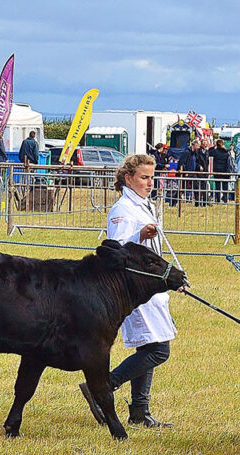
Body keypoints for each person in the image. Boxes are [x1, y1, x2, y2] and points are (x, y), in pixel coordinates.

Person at [78, 153, 177, 428]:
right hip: (134, 289)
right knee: (159, 350)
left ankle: (139, 411)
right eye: (144, 177)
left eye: (152, 177)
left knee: (149, 346)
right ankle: (103, 386)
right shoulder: (122, 210)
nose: (149, 183)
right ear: (128, 178)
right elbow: (115, 250)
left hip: (151, 287)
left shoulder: (145, 205)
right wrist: (139, 236)